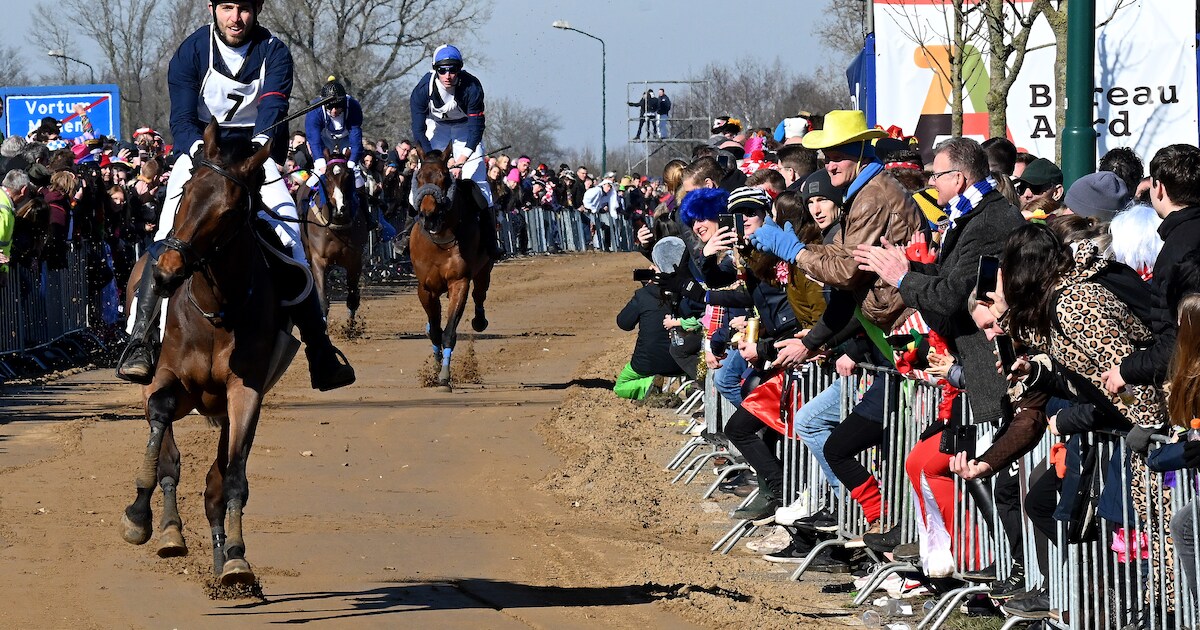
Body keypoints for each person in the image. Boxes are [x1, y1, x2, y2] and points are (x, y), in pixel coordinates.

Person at [115, 0, 356, 392]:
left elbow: (272, 107)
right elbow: (181, 117)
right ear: (212, 8)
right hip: (200, 155)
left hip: (252, 158)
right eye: (227, 7)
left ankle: (320, 352)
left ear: (257, 9)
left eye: (243, 8)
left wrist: (258, 149)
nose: (235, 18)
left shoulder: (274, 51)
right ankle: (139, 340)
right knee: (165, 239)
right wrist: (201, 152)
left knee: (293, 246)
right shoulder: (191, 51)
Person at [408, 44, 501, 259]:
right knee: (422, 180)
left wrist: (461, 160)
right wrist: (433, 160)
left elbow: (476, 129)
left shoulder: (472, 87)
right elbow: (418, 130)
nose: (448, 75)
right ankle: (407, 235)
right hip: (436, 129)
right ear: (435, 70)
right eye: (442, 70)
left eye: (453, 70)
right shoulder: (422, 90)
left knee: (478, 183)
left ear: (459, 70)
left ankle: (490, 241)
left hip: (465, 130)